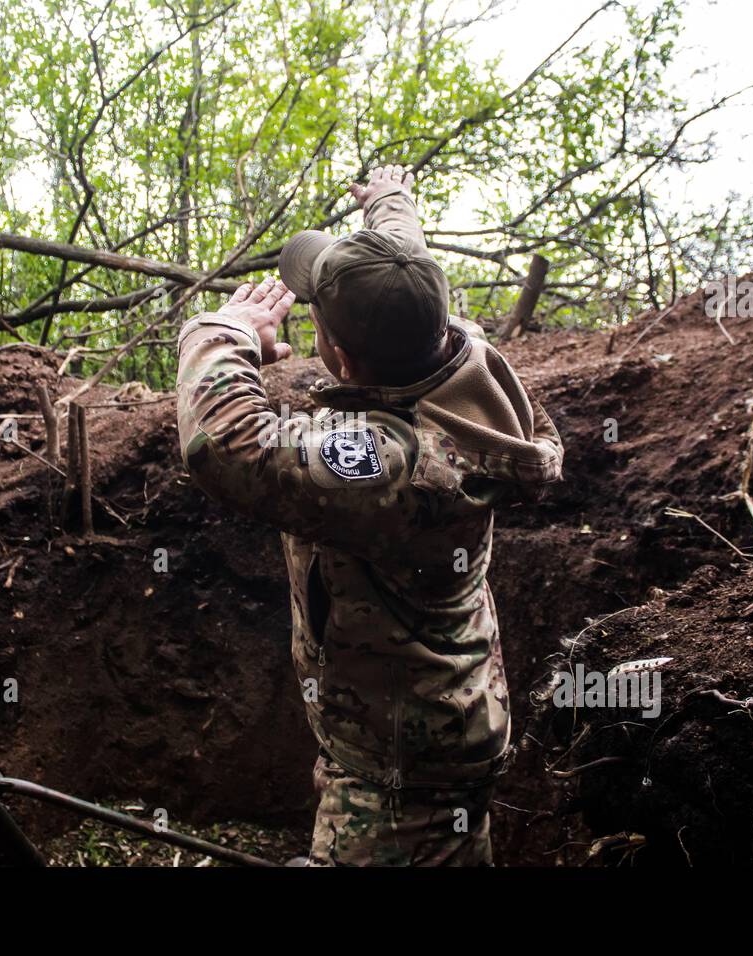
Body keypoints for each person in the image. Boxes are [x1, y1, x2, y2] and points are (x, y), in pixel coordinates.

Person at [175, 163, 564, 865]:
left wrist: (225, 330)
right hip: (442, 720)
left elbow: (224, 445)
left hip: (401, 775)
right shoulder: (461, 360)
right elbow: (404, 266)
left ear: (340, 357)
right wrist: (389, 203)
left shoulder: (391, 464)